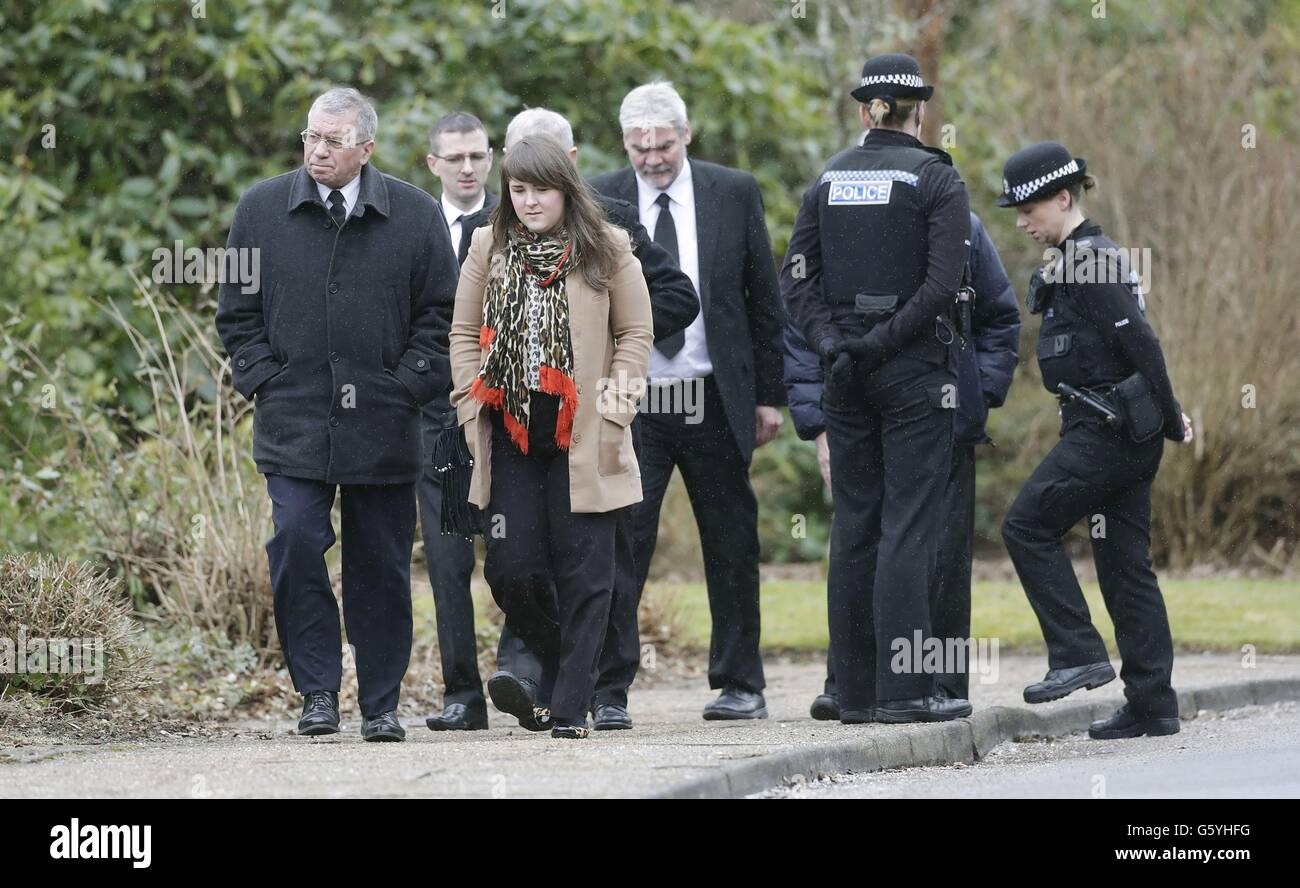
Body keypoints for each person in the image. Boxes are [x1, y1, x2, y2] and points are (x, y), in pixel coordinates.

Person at [216, 86, 458, 742]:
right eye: (310, 138)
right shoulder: (261, 208)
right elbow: (235, 313)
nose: (317, 151)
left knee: (380, 563)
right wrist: (266, 379)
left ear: (366, 148)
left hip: (386, 421)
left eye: (332, 141)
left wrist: (407, 385)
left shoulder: (413, 214)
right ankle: (316, 693)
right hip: (292, 419)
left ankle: (381, 703)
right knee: (295, 544)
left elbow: (443, 315)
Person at [449, 108, 696, 733]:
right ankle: (567, 666)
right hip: (511, 428)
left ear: (567, 189)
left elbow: (637, 329)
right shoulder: (488, 243)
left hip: (582, 431)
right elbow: (460, 331)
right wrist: (469, 397)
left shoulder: (608, 246)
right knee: (510, 568)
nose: (530, 202)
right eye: (520, 190)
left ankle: (569, 708)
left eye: (542, 190)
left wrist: (618, 403)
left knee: (588, 572)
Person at [782, 53, 972, 724]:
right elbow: (943, 285)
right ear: (919, 112)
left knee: (855, 526)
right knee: (908, 527)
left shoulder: (826, 181)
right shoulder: (936, 181)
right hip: (912, 372)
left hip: (844, 377)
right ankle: (905, 690)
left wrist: (834, 343)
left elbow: (796, 277)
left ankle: (853, 692)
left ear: (866, 111)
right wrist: (882, 340)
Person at [590, 81, 787, 724]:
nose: (652, 158)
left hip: (711, 392)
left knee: (730, 542)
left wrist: (768, 396)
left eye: (664, 144)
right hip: (633, 398)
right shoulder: (600, 197)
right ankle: (608, 688)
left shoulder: (733, 192)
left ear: (687, 134)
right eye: (640, 147)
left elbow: (764, 296)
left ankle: (740, 682)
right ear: (625, 144)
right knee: (622, 540)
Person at [784, 210, 1019, 720]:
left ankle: (944, 682)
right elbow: (801, 329)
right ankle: (850, 683)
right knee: (860, 543)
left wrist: (978, 394)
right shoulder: (835, 227)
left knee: (943, 558)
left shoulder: (961, 228)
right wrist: (818, 424)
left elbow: (1000, 317)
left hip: (944, 420)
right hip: (858, 418)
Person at [996, 141, 1192, 740]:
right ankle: (1153, 703)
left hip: (1107, 432)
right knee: (1125, 566)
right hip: (1117, 429)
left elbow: (1142, 342)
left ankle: (1077, 651)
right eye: (1016, 211)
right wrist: (1163, 416)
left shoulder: (1090, 261)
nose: (1023, 221)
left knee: (1025, 525)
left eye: (1030, 208)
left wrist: (1172, 412)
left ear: (1064, 197)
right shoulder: (1082, 257)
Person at [420, 112, 498, 732]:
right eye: (455, 158)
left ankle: (531, 677)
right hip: (437, 421)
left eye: (477, 155)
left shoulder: (515, 220)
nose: (468, 168)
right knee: (448, 564)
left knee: (516, 554)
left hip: (506, 417)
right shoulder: (415, 227)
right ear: (433, 164)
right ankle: (462, 694)